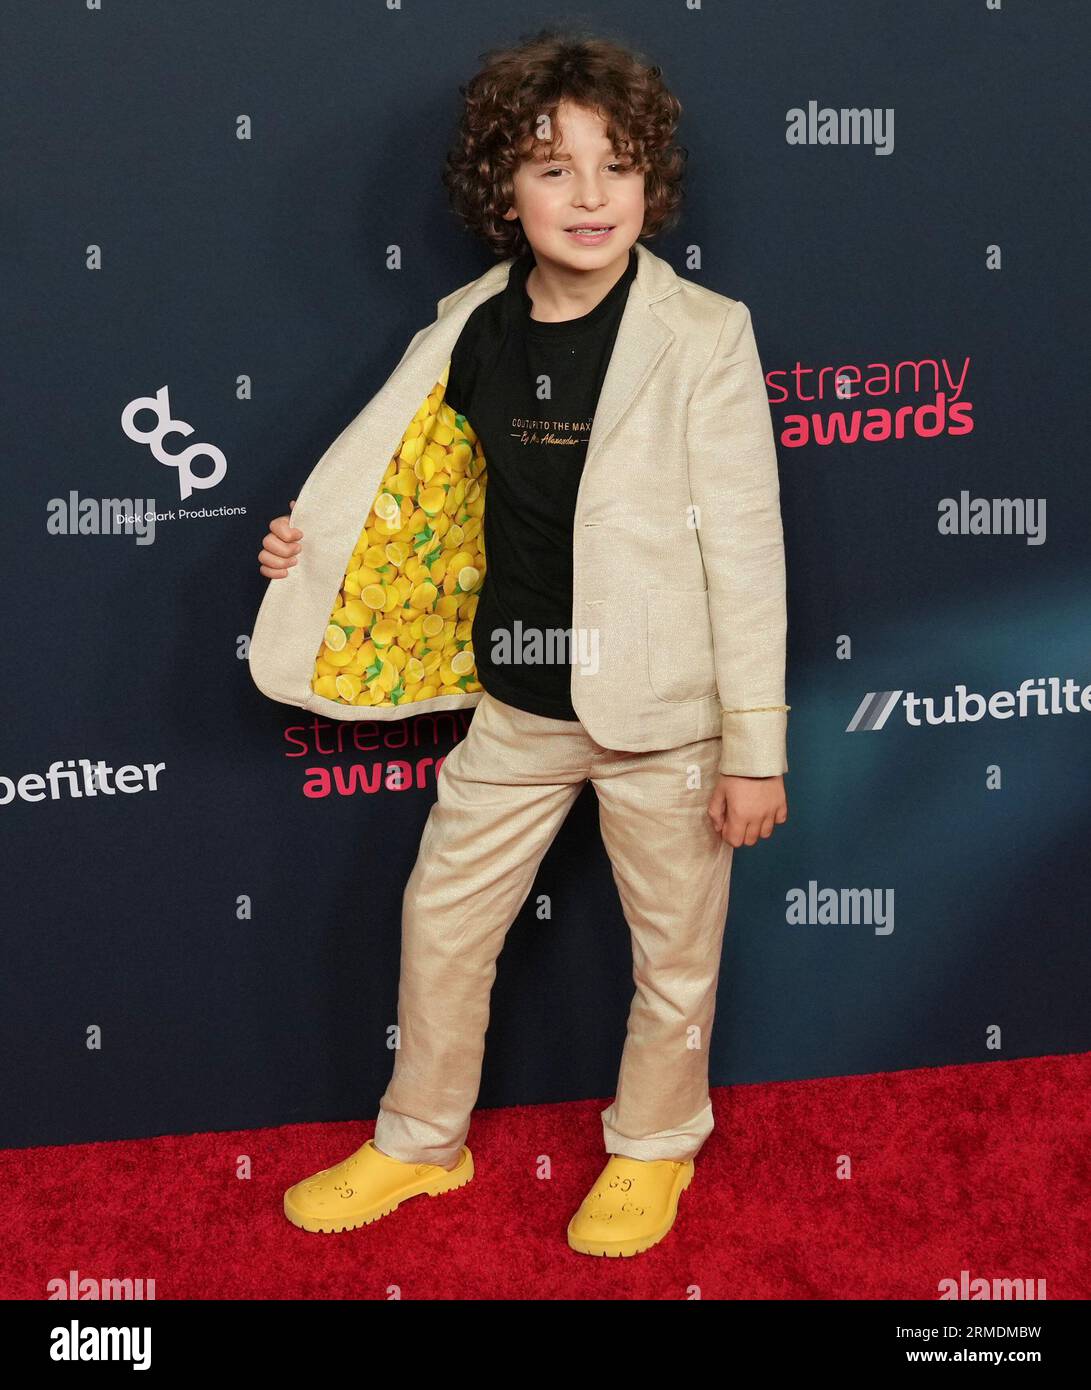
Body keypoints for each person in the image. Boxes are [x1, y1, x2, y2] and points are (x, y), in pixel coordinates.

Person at [256, 28, 790, 1258]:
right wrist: (313, 555)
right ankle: (416, 1141)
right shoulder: (470, 322)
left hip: (668, 712)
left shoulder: (702, 333)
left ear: (649, 182)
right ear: (503, 189)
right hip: (516, 702)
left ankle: (652, 1149)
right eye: (553, 168)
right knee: (441, 924)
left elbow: (747, 551)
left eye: (614, 167)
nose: (589, 196)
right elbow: (410, 484)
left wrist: (752, 746)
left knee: (674, 957)